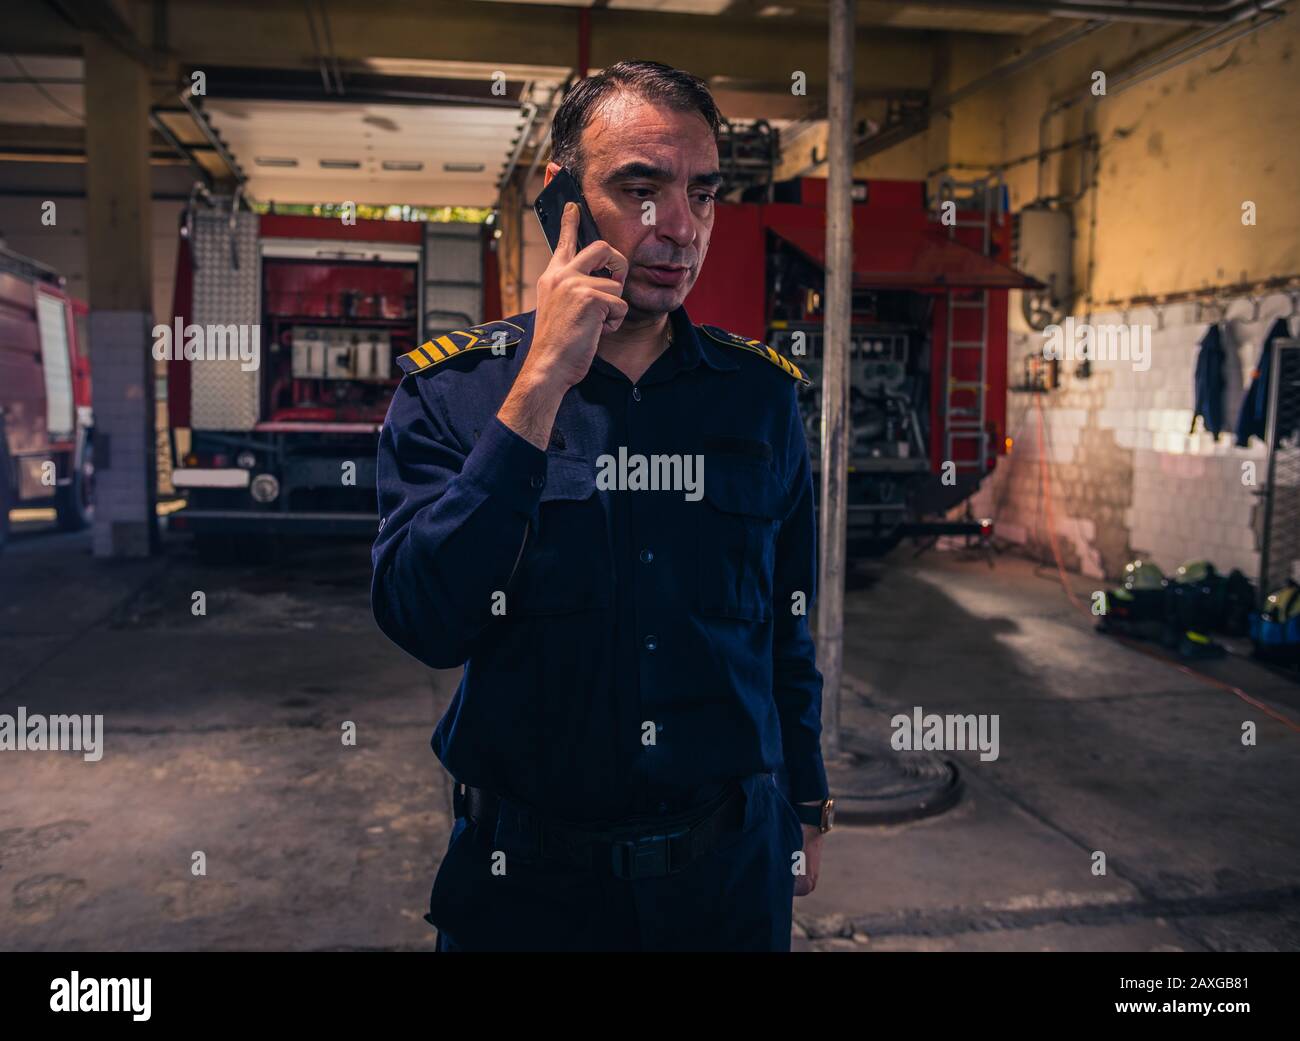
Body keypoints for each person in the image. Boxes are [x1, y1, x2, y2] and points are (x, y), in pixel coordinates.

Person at [371, 60, 832, 952]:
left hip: (725, 885)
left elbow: (787, 625)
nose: (681, 229)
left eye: (702, 193)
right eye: (639, 188)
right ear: (559, 201)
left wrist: (806, 798)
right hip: (528, 892)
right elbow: (424, 618)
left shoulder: (758, 399)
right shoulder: (456, 395)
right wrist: (538, 388)